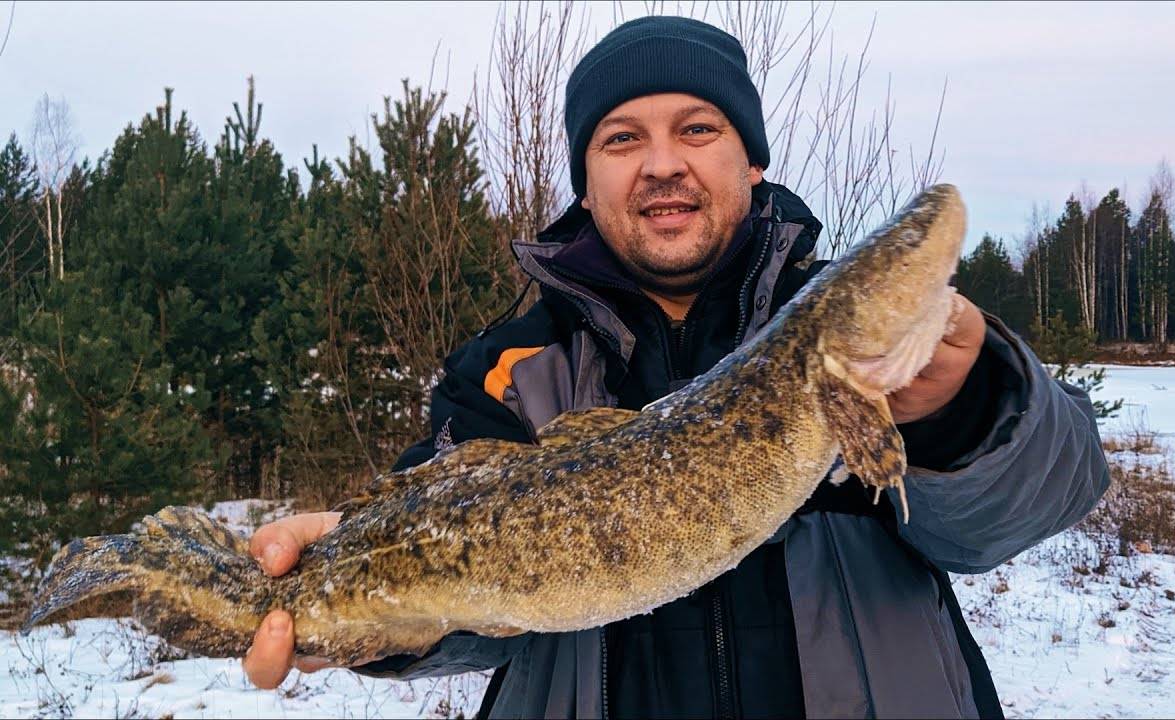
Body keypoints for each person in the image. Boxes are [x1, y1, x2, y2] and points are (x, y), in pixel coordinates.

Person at [241, 16, 1109, 719]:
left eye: (698, 128)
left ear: (752, 159)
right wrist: (373, 614)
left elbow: (1036, 502)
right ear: (585, 180)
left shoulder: (863, 352)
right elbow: (480, 621)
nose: (662, 163)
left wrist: (962, 404)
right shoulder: (507, 372)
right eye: (622, 139)